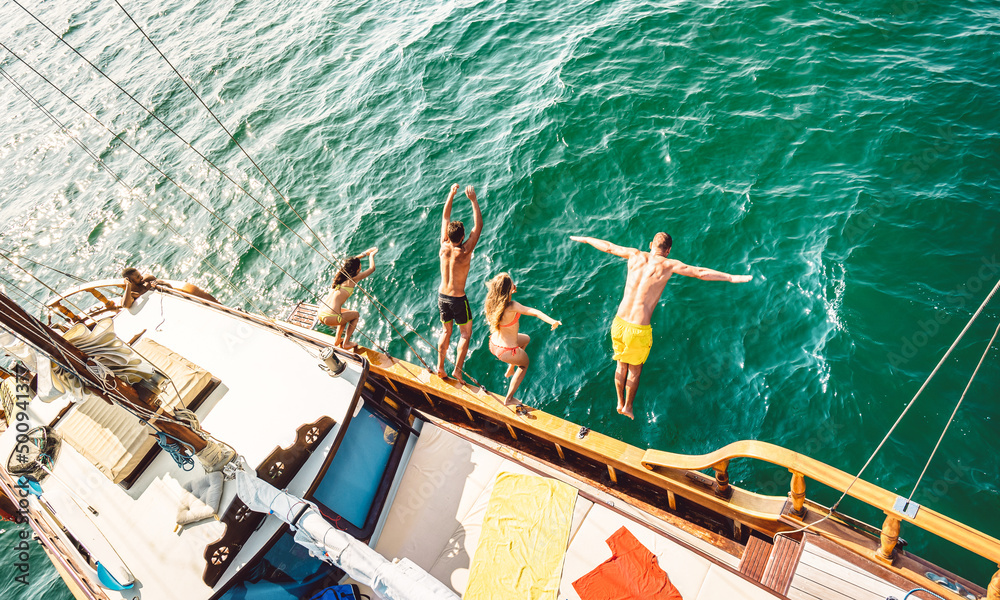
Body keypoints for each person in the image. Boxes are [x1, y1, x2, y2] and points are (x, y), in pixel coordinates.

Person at [571, 233, 752, 419]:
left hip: (619, 323)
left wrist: (586, 239)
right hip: (637, 329)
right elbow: (699, 273)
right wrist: (730, 277)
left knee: (620, 365)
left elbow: (608, 246)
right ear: (668, 250)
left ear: (651, 244)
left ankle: (619, 401)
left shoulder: (634, 255)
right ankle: (628, 406)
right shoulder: (668, 265)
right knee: (634, 369)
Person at [483, 273, 561, 406]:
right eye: (512, 284)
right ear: (508, 290)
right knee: (524, 365)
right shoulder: (512, 305)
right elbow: (535, 312)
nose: (515, 285)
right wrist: (552, 321)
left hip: (494, 343)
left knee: (526, 339)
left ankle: (510, 368)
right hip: (507, 350)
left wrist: (511, 289)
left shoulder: (492, 304)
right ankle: (509, 399)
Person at [437, 183, 483, 383]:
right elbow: (478, 226)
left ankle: (440, 367)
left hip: (441, 297)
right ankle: (457, 370)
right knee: (465, 334)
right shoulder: (465, 252)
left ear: (449, 234)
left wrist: (451, 193)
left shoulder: (443, 243)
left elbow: (445, 217)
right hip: (457, 299)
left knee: (446, 331)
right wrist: (473, 200)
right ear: (463, 237)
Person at [318, 248, 378, 350]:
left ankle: (337, 339)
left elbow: (352, 261)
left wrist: (365, 253)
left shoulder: (341, 274)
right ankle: (346, 343)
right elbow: (372, 268)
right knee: (355, 315)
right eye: (359, 266)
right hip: (329, 317)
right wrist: (371, 256)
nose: (361, 267)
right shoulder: (354, 279)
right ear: (357, 270)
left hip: (321, 313)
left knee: (347, 314)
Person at [121, 267, 218, 309]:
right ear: (130, 281)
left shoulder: (147, 279)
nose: (141, 277)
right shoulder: (132, 292)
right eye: (137, 277)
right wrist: (128, 286)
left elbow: (168, 286)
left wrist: (160, 285)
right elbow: (125, 305)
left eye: (139, 274)